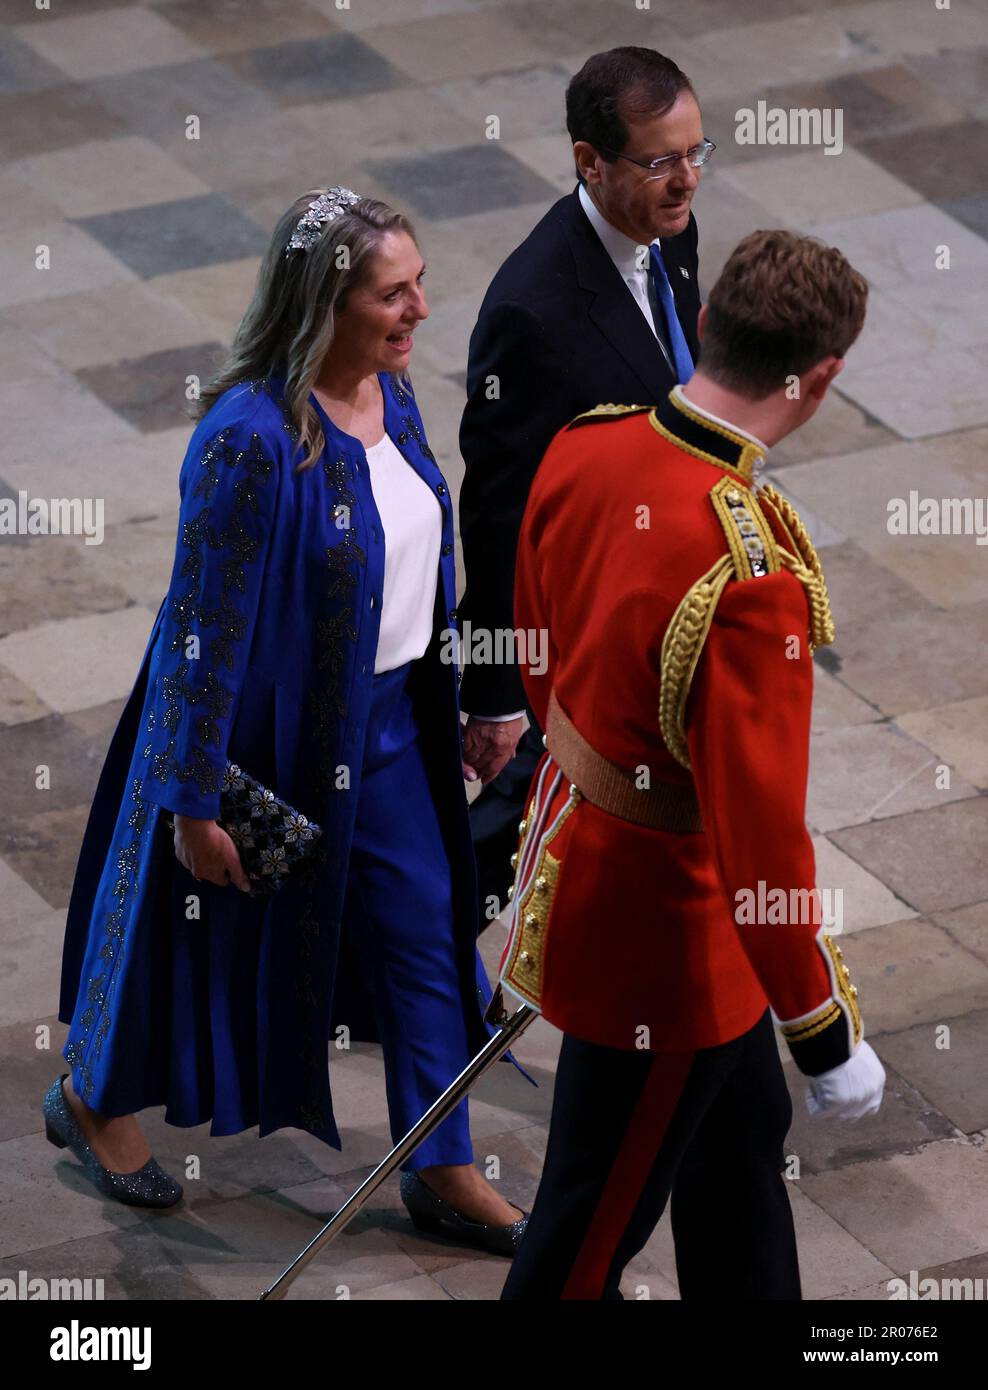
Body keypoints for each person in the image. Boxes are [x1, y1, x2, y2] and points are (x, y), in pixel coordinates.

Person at [45, 186, 532, 1255]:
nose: (419, 310)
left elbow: (416, 555)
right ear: (326, 302)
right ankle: (91, 1096)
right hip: (259, 742)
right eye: (393, 294)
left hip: (392, 728)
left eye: (418, 286)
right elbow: (198, 630)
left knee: (429, 933)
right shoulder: (248, 441)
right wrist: (188, 796)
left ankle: (443, 1166)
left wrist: (458, 685)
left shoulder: (390, 394)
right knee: (181, 942)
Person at [497, 229, 886, 1300]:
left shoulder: (591, 439)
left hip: (581, 847)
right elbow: (758, 836)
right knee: (590, 1220)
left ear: (707, 322)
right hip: (670, 942)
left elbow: (540, 647)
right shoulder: (751, 575)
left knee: (734, 1145)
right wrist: (820, 1026)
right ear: (821, 380)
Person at [457, 46, 710, 925]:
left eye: (695, 153)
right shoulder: (533, 311)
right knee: (531, 803)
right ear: (588, 162)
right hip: (583, 627)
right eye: (659, 160)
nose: (686, 181)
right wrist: (490, 686)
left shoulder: (667, 234)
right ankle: (407, 952)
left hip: (665, 595)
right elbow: (495, 510)